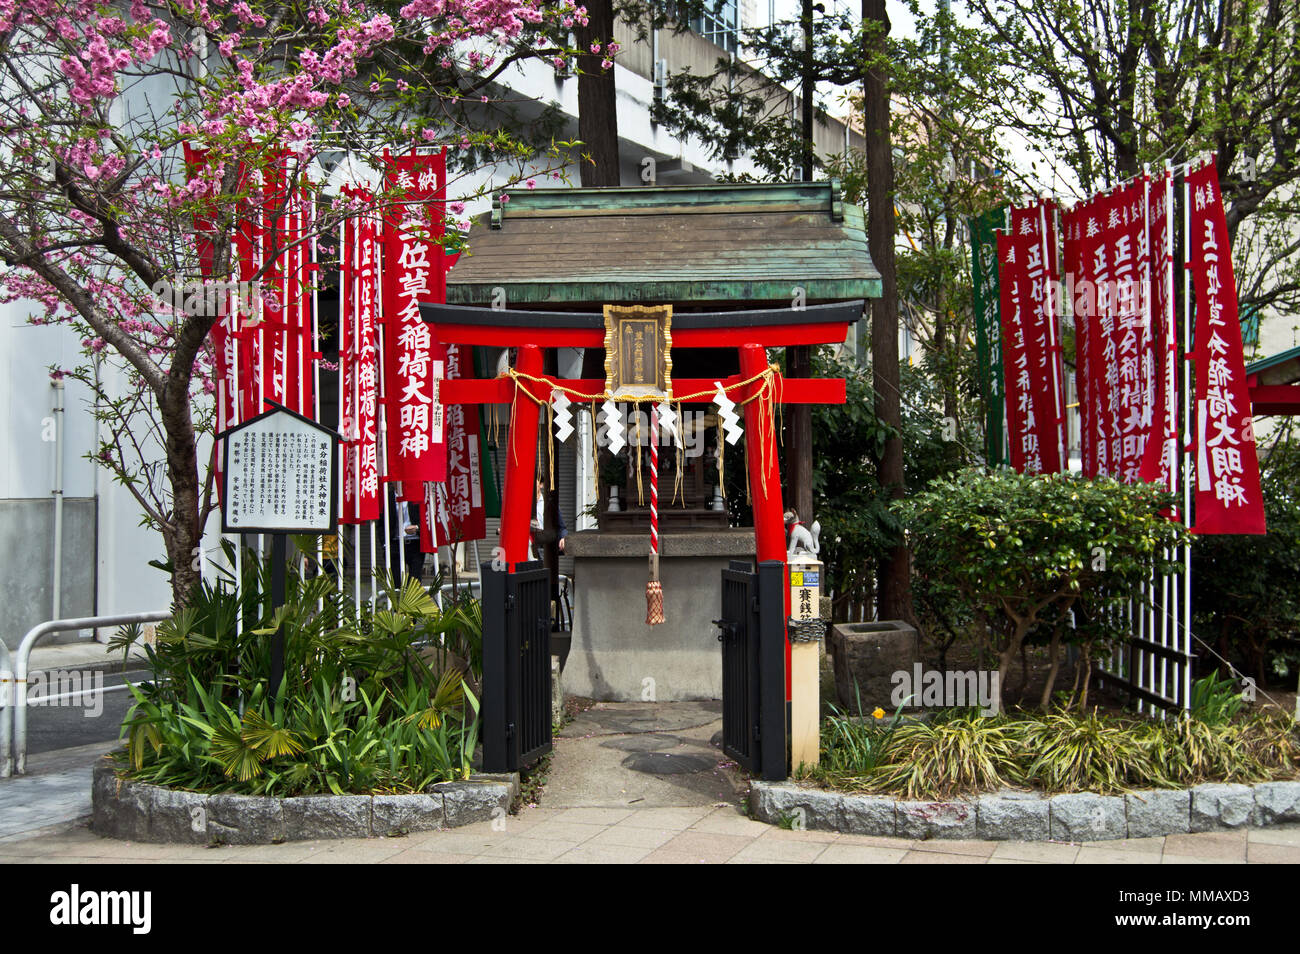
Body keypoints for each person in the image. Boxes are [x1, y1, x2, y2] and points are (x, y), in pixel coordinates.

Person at [529, 477, 566, 560]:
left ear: (541, 485)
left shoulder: (550, 503)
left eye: (533, 482)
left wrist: (563, 537)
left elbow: (561, 526)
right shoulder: (523, 503)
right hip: (530, 545)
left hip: (546, 545)